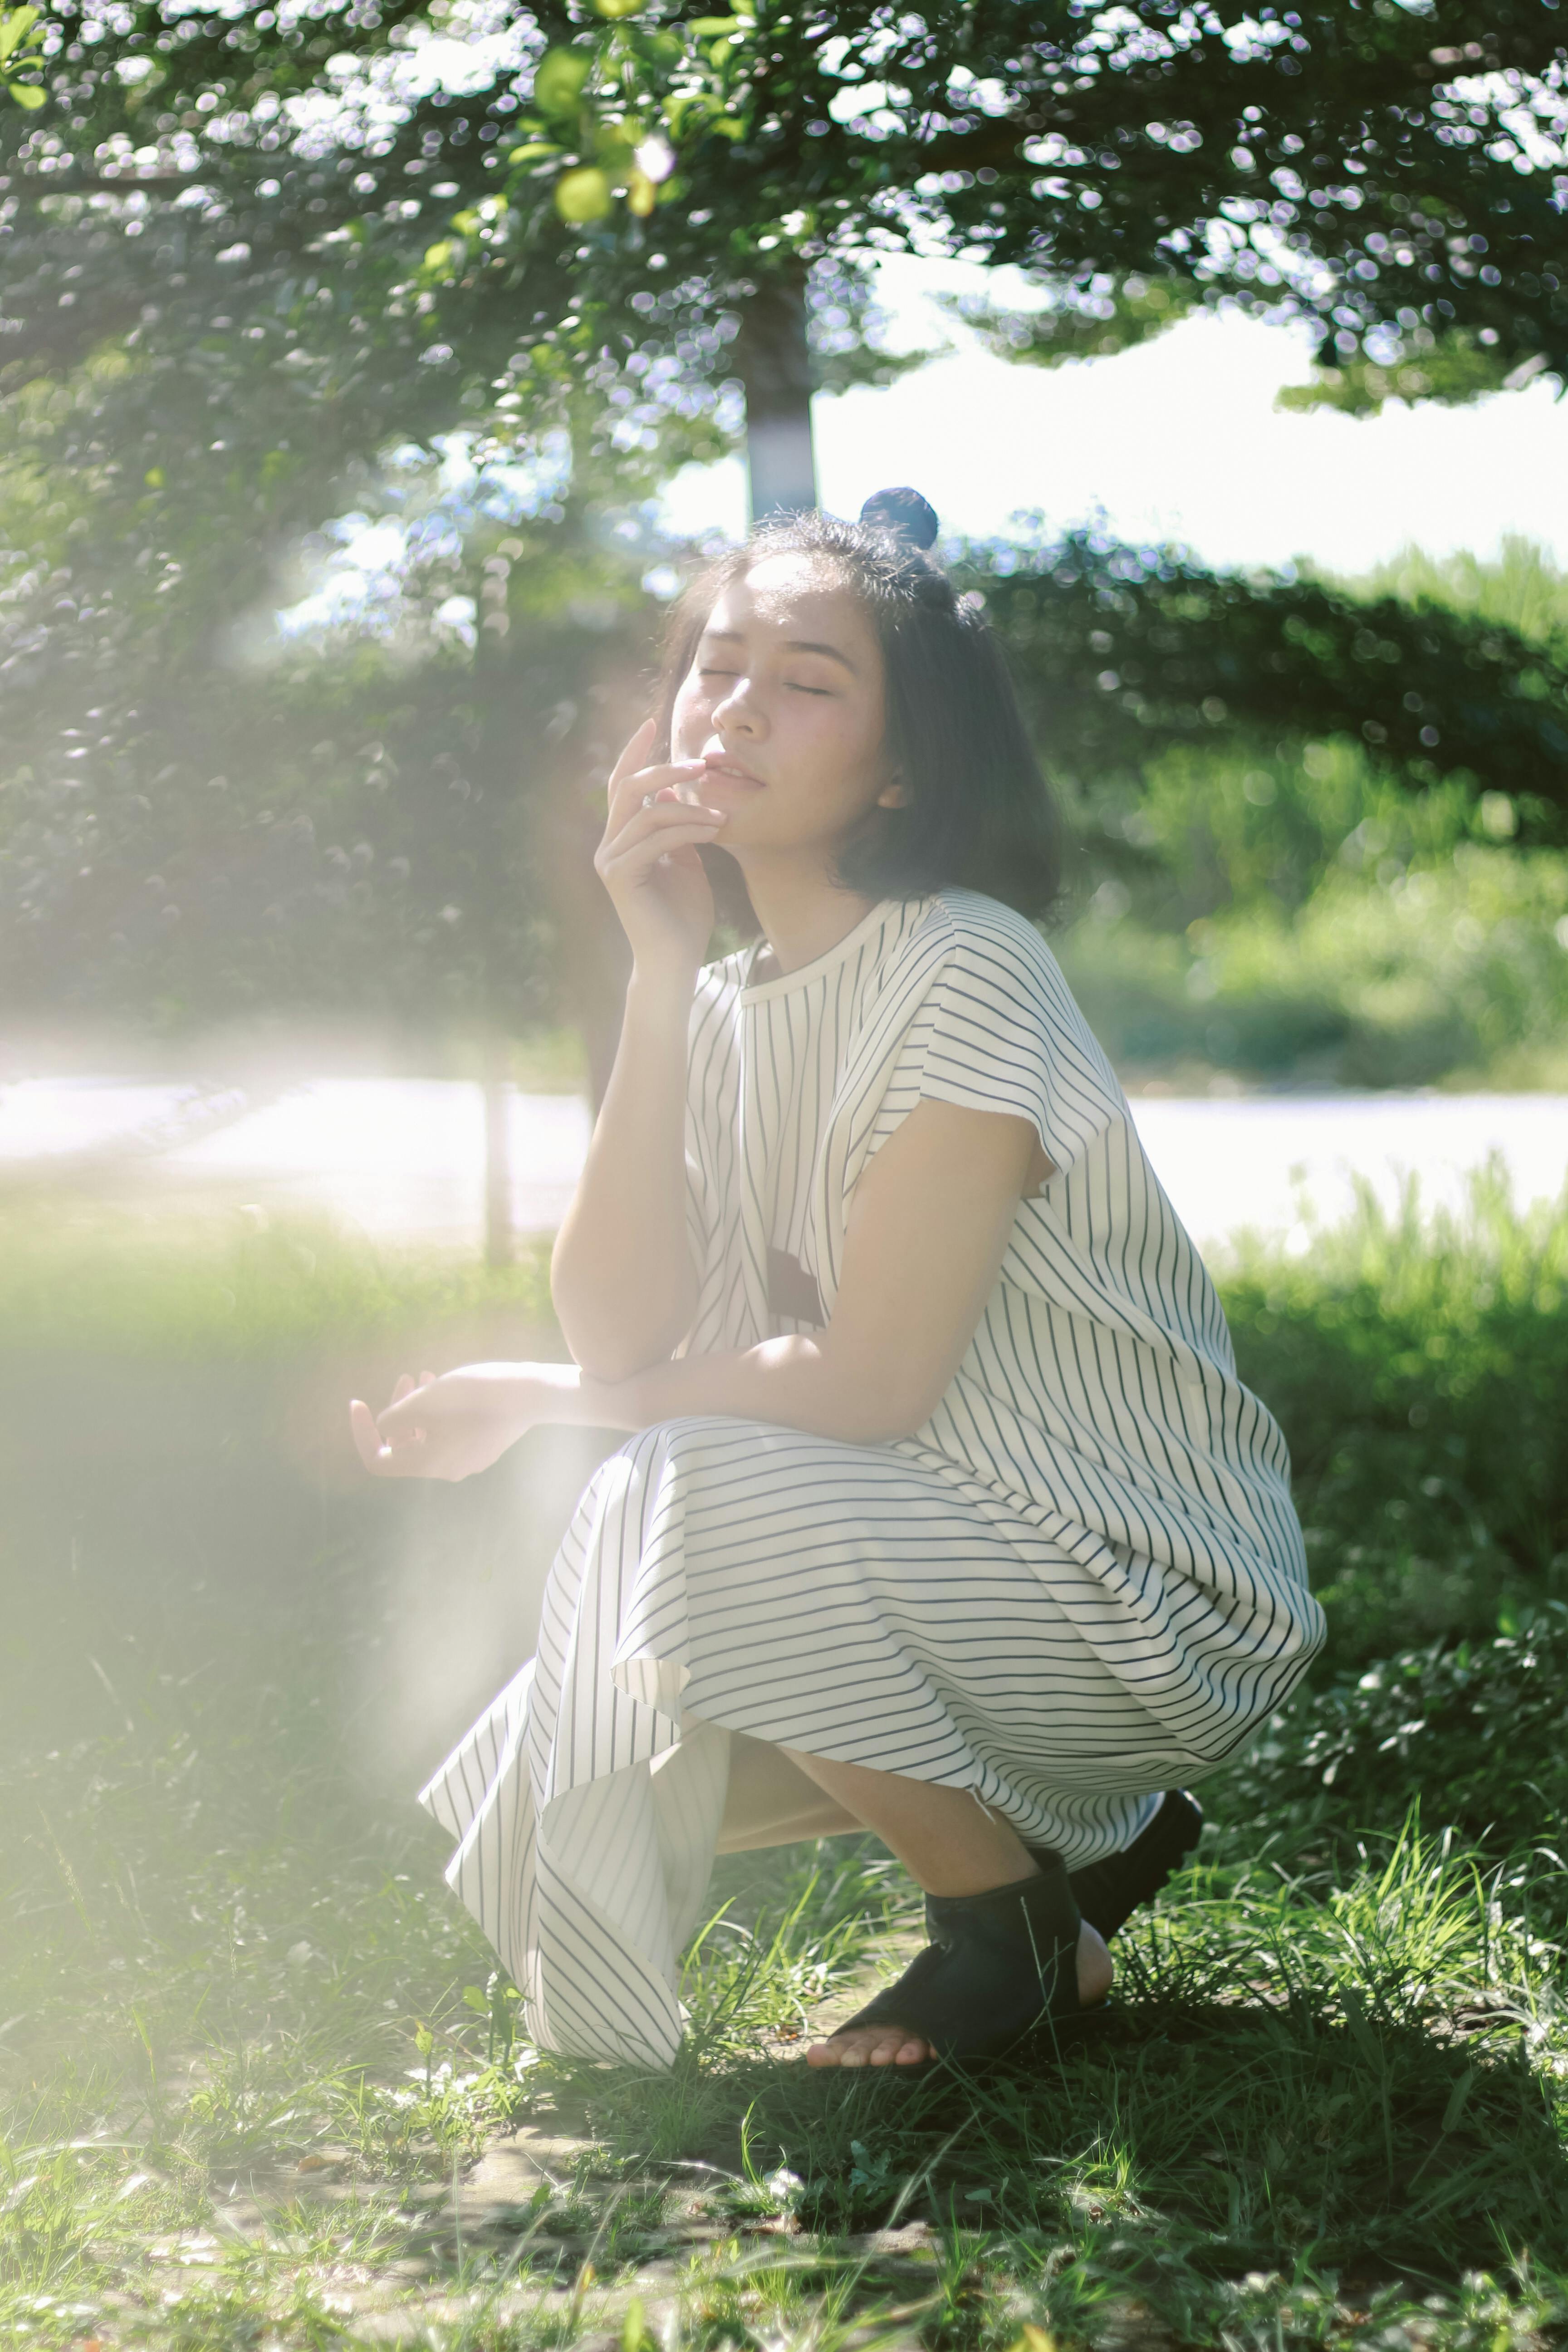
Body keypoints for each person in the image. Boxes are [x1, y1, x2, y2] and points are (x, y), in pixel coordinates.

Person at [351, 489, 1324, 2072]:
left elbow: (865, 1384)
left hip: (1140, 1586)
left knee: (685, 1491)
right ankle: (1085, 1859)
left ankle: (997, 1933)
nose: (734, 707)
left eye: (806, 679)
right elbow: (619, 1321)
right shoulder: (727, 1001)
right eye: (713, 667)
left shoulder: (967, 962)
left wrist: (548, 1407)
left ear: (899, 768)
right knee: (590, 1729)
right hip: (935, 1548)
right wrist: (658, 975)